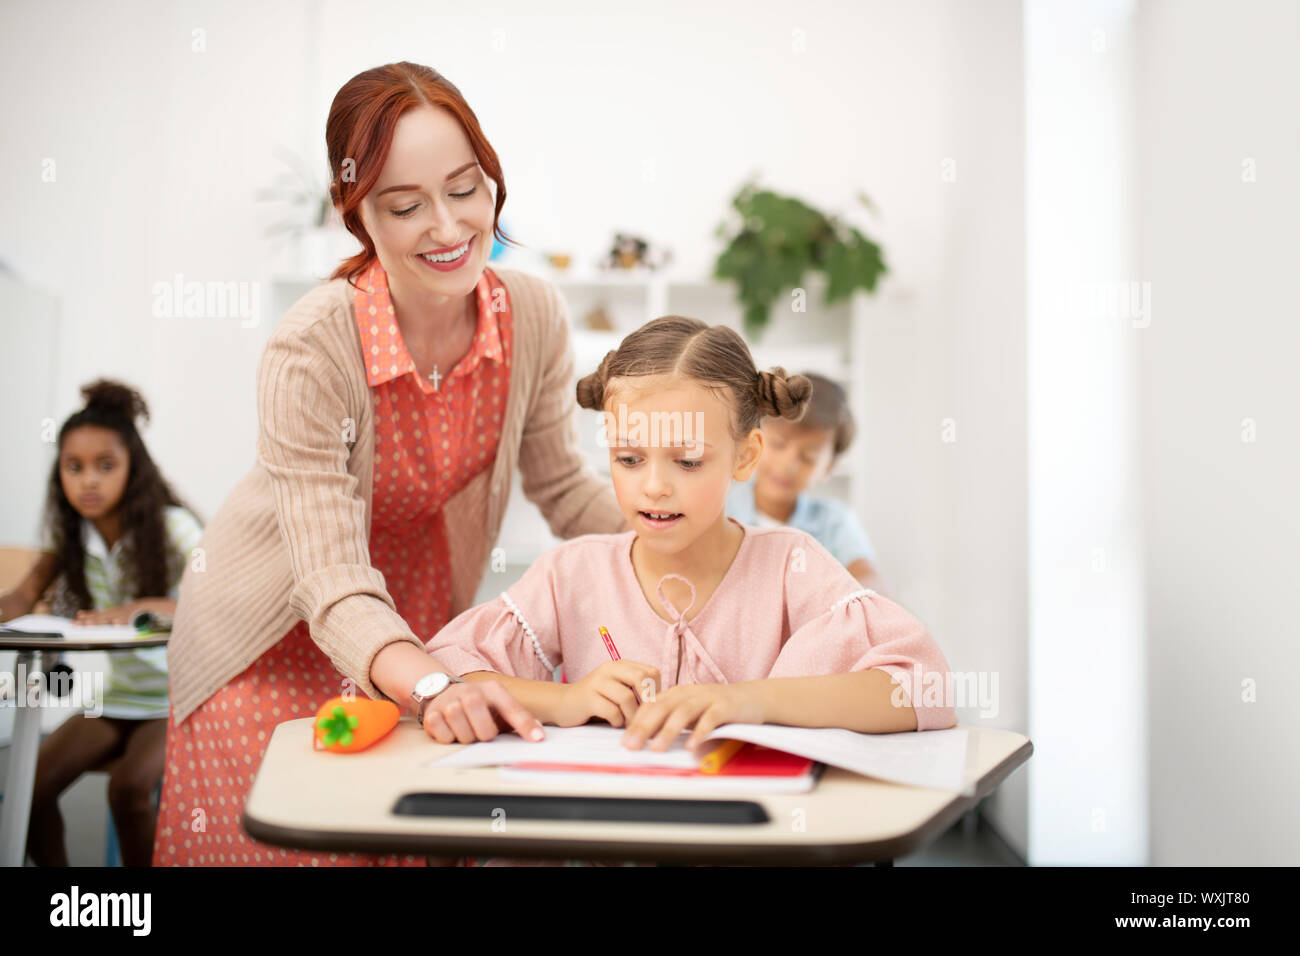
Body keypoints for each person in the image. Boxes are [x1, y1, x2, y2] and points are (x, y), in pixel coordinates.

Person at [152, 61, 626, 867]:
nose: (446, 227)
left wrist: (691, 538)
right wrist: (439, 686)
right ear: (360, 215)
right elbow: (329, 579)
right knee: (304, 843)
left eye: (466, 189)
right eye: (406, 206)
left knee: (426, 840)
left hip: (417, 632)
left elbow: (563, 485)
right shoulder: (314, 347)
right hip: (272, 640)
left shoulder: (531, 315)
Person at [426, 317, 958, 864]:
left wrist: (749, 701)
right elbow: (443, 671)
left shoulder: (790, 564)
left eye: (687, 460)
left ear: (746, 456)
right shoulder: (573, 571)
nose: (654, 485)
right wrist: (566, 700)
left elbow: (922, 689)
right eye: (628, 459)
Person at [0, 379, 204, 866]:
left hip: (170, 703)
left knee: (128, 788)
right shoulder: (69, 532)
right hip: (113, 702)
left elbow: (214, 594)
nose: (88, 480)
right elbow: (22, 596)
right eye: (74, 467)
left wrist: (142, 607)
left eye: (104, 466)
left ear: (133, 470)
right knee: (28, 787)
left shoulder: (172, 526)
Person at [727, 371, 886, 594]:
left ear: (828, 468)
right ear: (754, 442)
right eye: (778, 445)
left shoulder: (833, 522)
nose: (788, 465)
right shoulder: (719, 509)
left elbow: (870, 579)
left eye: (808, 457)